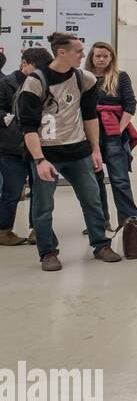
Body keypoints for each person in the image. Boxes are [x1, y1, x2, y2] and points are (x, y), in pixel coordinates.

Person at [17, 33, 121, 271]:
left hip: (78, 152)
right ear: (61, 53)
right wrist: (39, 160)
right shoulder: (35, 82)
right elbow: (28, 127)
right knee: (43, 208)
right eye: (79, 51)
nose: (84, 55)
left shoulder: (85, 79)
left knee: (92, 200)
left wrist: (95, 149)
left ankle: (101, 244)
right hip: (47, 154)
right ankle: (48, 252)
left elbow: (89, 116)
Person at [86, 41, 137, 233]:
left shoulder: (120, 77)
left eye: (105, 56)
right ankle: (100, 222)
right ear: (91, 58)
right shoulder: (83, 77)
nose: (101, 59)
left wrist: (118, 129)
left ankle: (131, 219)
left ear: (111, 58)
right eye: (98, 56)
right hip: (89, 134)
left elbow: (130, 105)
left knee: (119, 178)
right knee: (94, 179)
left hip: (113, 133)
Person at [0, 47, 49, 246]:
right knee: (12, 191)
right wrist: (12, 120)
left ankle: (37, 229)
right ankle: (3, 230)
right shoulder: (5, 83)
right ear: (24, 63)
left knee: (40, 190)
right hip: (11, 147)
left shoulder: (44, 82)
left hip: (38, 146)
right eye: (36, 68)